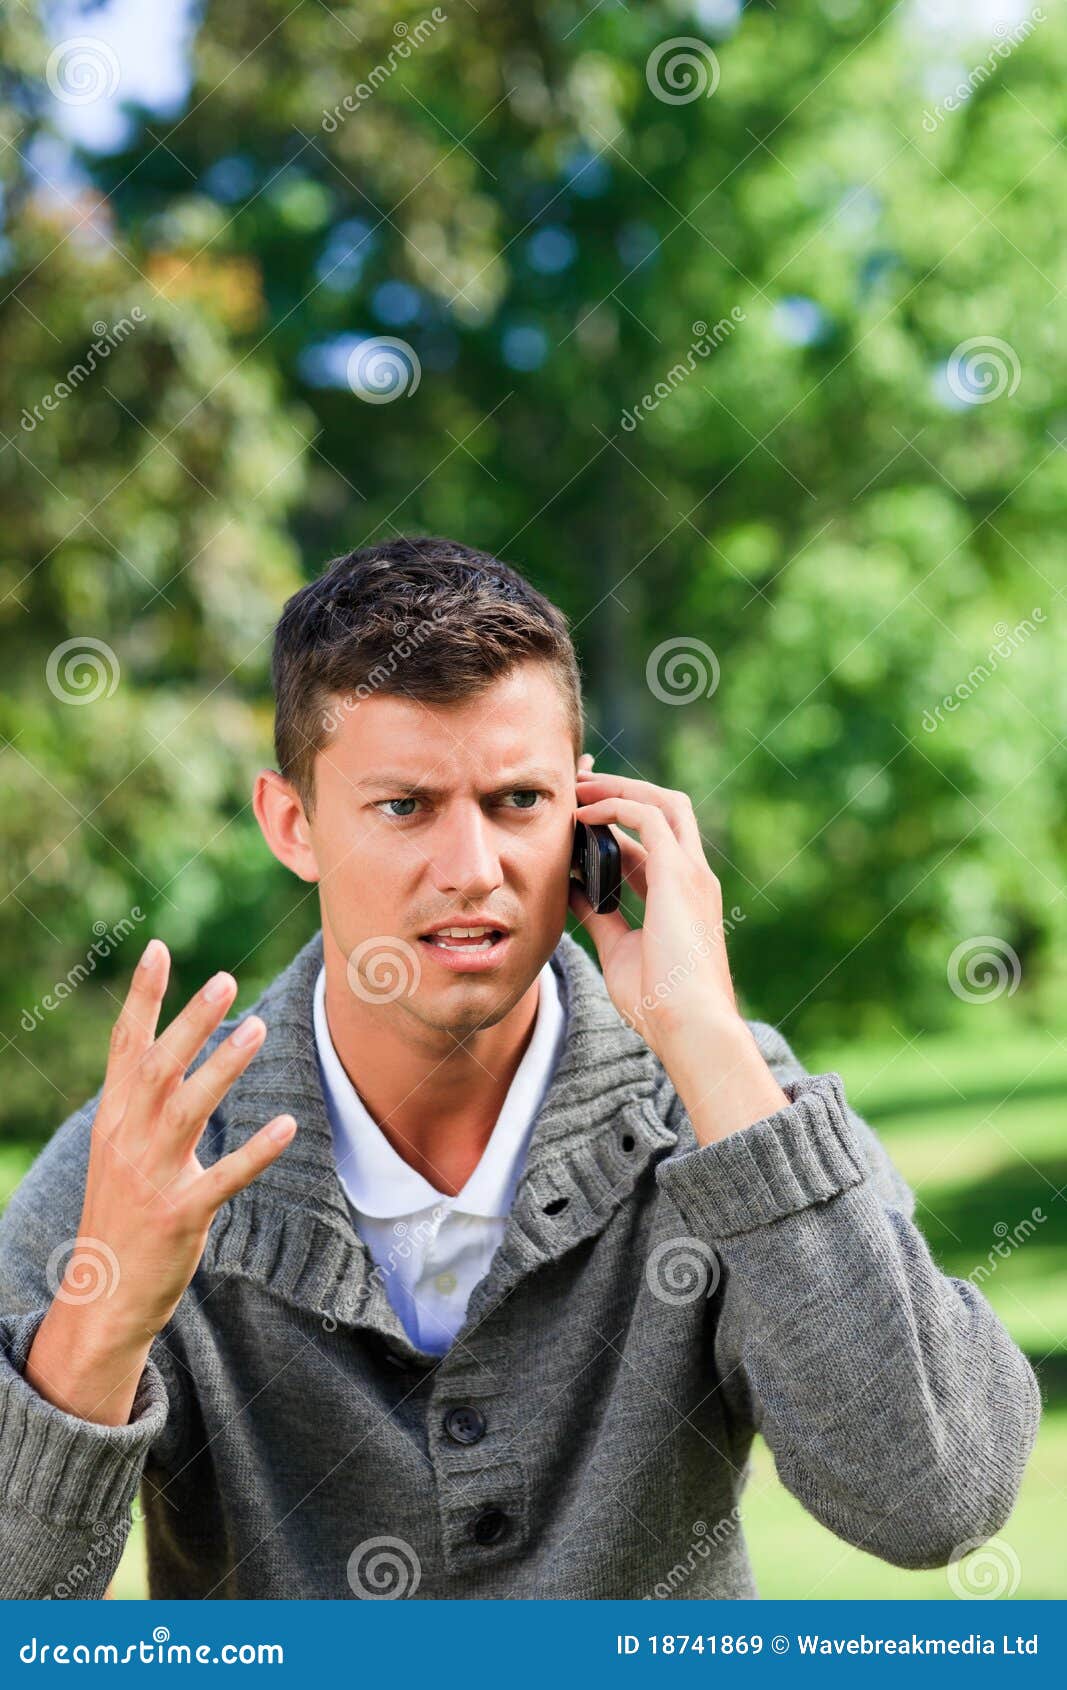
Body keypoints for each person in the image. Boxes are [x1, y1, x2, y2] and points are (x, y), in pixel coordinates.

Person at [0, 537, 1040, 1600]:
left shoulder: (726, 1106)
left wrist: (709, 1043)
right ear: (290, 822)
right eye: (403, 806)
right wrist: (102, 1324)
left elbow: (934, 1500)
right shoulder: (143, 1161)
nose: (470, 871)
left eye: (516, 802)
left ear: (587, 819)